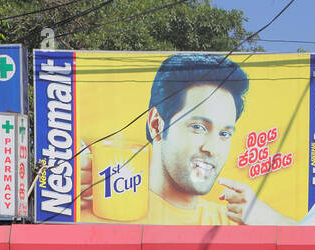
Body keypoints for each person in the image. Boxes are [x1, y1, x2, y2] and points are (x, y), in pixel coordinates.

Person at [78, 53, 294, 226]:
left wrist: (273, 220)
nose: (212, 149)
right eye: (198, 127)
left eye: (224, 134)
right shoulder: (100, 209)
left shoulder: (234, 221)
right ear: (156, 124)